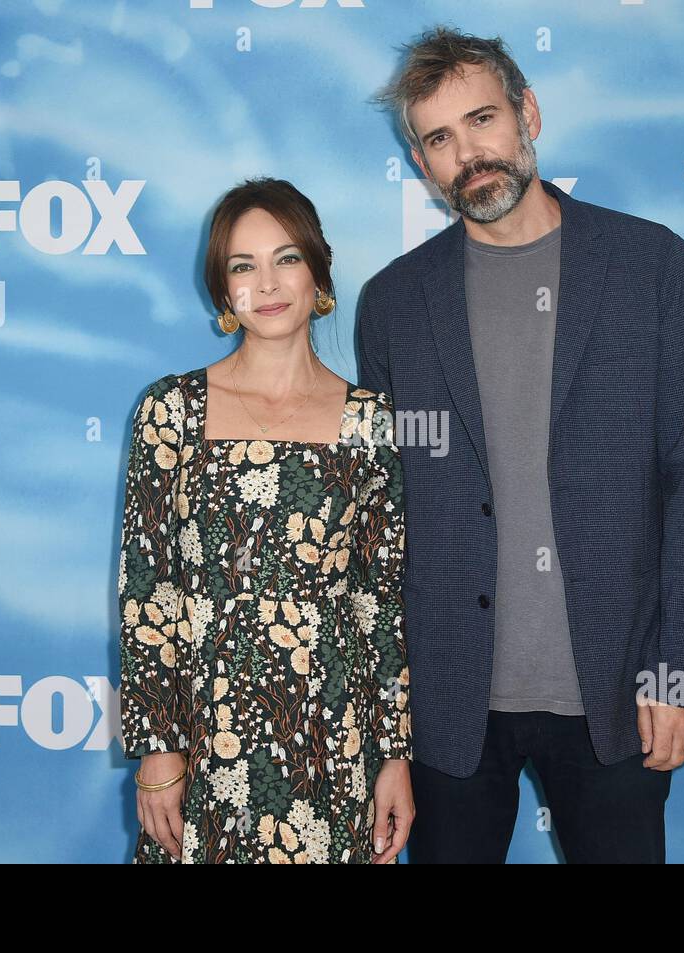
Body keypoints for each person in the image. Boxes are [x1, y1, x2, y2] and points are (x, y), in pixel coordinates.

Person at [359, 26, 684, 862]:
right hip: (449, 706)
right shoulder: (392, 303)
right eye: (440, 138)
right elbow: (381, 523)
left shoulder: (649, 265)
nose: (469, 153)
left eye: (483, 119)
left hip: (618, 691)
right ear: (422, 164)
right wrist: (383, 719)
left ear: (528, 113)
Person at [117, 177, 414, 863]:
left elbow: (382, 605)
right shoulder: (172, 411)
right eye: (242, 266)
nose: (268, 282)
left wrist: (393, 756)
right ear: (224, 292)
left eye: (286, 258)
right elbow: (148, 594)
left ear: (318, 271)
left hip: (332, 743)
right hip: (206, 740)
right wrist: (158, 753)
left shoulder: (371, 421)